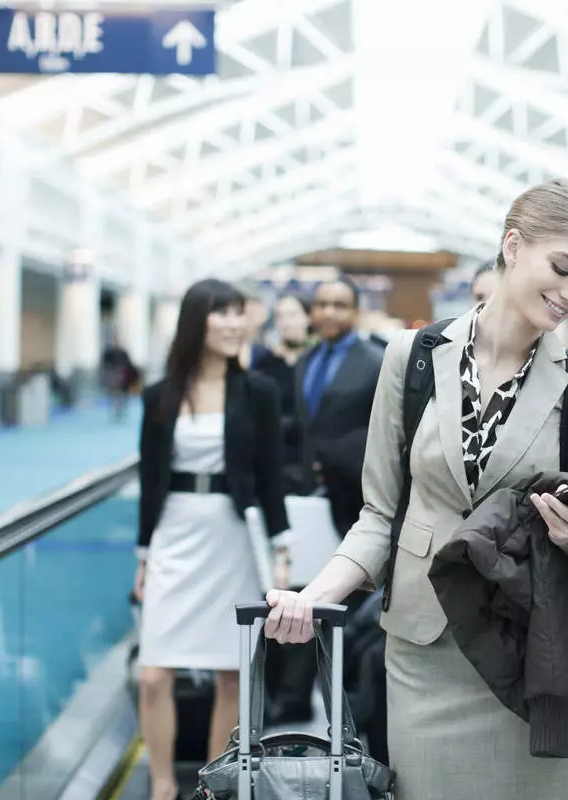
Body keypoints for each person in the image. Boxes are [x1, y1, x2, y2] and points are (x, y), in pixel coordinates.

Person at [264, 178, 568, 798]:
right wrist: (312, 596)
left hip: (534, 660)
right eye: (563, 270)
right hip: (424, 652)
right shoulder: (413, 358)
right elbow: (381, 512)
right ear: (513, 246)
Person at [134, 278, 291, 800]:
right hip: (174, 533)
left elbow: (272, 477)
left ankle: (210, 783)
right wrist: (142, 555)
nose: (231, 323)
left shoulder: (259, 393)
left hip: (234, 536)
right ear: (194, 322)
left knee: (230, 674)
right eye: (219, 313)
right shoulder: (160, 395)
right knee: (154, 673)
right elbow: (149, 480)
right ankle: (160, 784)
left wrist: (281, 552)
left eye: (237, 314)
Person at [295, 276, 385, 539]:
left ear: (356, 312)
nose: (328, 312)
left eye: (339, 305)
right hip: (309, 489)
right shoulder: (305, 360)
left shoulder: (376, 362)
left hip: (357, 494)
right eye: (321, 304)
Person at [252, 292, 314, 495]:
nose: (286, 322)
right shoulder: (265, 362)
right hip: (275, 455)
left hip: (308, 457)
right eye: (280, 316)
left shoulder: (318, 361)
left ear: (307, 317)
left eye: (293, 314)